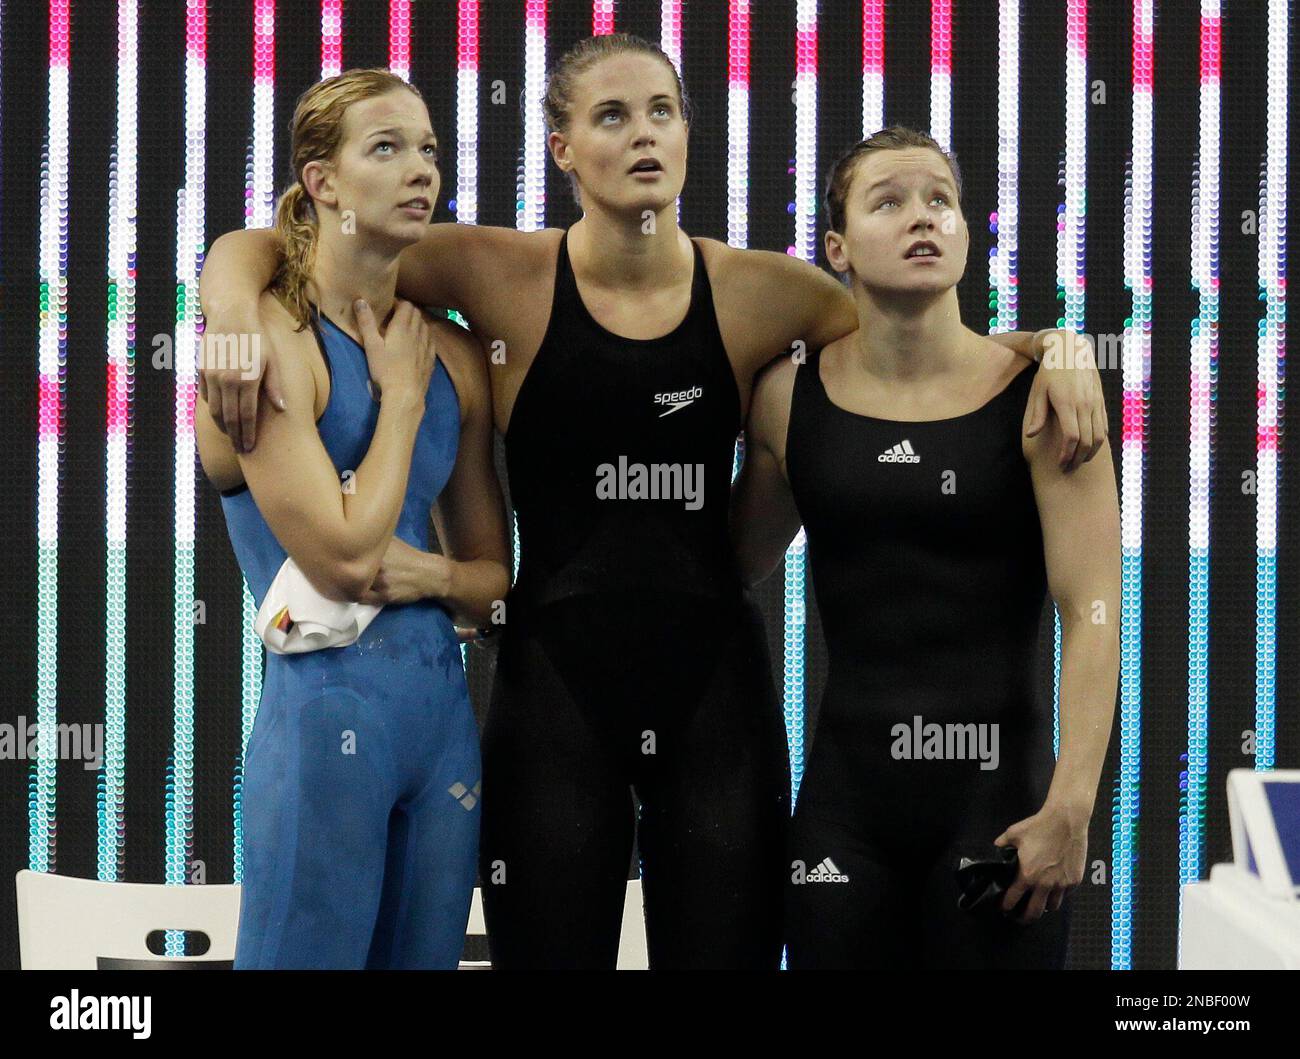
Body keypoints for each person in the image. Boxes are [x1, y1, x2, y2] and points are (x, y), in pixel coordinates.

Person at [197, 36, 1106, 969]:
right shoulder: (494, 272)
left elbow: (919, 339)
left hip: (715, 699)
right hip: (555, 695)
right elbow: (294, 238)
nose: (644, 135)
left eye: (663, 112)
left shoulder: (763, 291)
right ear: (561, 148)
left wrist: (1049, 347)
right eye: (612, 116)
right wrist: (226, 303)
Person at [731, 127, 1120, 969]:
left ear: (968, 236)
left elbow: (1092, 611)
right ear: (837, 248)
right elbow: (731, 562)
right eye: (890, 201)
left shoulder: (1045, 399)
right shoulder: (783, 398)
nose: (923, 218)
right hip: (845, 812)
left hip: (1001, 808)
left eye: (940, 200)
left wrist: (1073, 805)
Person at [195, 69, 510, 968]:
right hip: (324, 723)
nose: (422, 170)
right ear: (322, 181)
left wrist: (437, 577)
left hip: (443, 729)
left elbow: (493, 585)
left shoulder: (451, 353)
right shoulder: (262, 338)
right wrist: (401, 403)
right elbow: (339, 558)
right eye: (387, 148)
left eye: (430, 151)